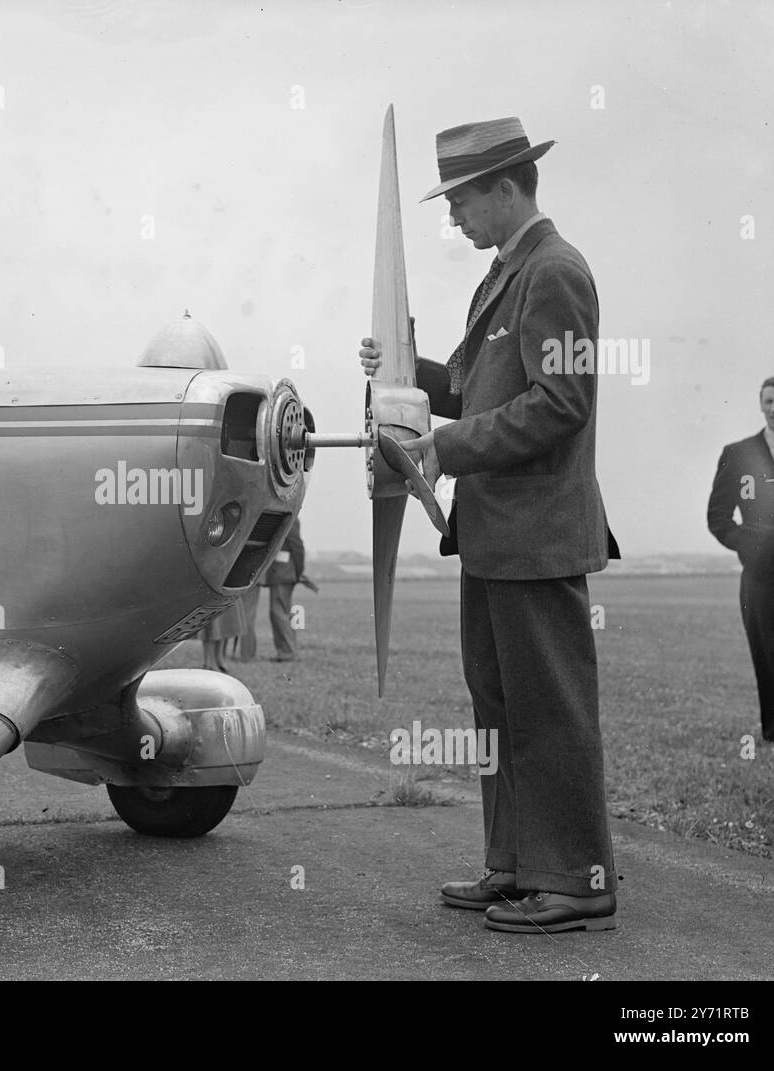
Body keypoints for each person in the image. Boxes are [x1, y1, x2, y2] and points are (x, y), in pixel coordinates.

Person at [359, 116, 619, 933]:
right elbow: (480, 389)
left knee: (551, 712)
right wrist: (403, 374)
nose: (454, 219)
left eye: (463, 201)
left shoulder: (557, 273)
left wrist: (444, 448)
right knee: (501, 711)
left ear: (508, 188)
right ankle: (514, 866)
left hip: (539, 538)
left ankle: (578, 879)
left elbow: (561, 404)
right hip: (496, 539)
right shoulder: (501, 276)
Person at [707, 377, 774, 744]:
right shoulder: (739, 453)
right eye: (768, 402)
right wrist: (747, 546)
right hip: (761, 574)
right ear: (761, 406)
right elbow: (718, 517)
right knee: (769, 652)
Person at [263, 517, 304, 662]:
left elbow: (297, 546)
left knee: (278, 613)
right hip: (283, 574)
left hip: (283, 574)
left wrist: (298, 572)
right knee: (281, 612)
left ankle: (287, 652)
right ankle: (286, 650)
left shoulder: (291, 519)